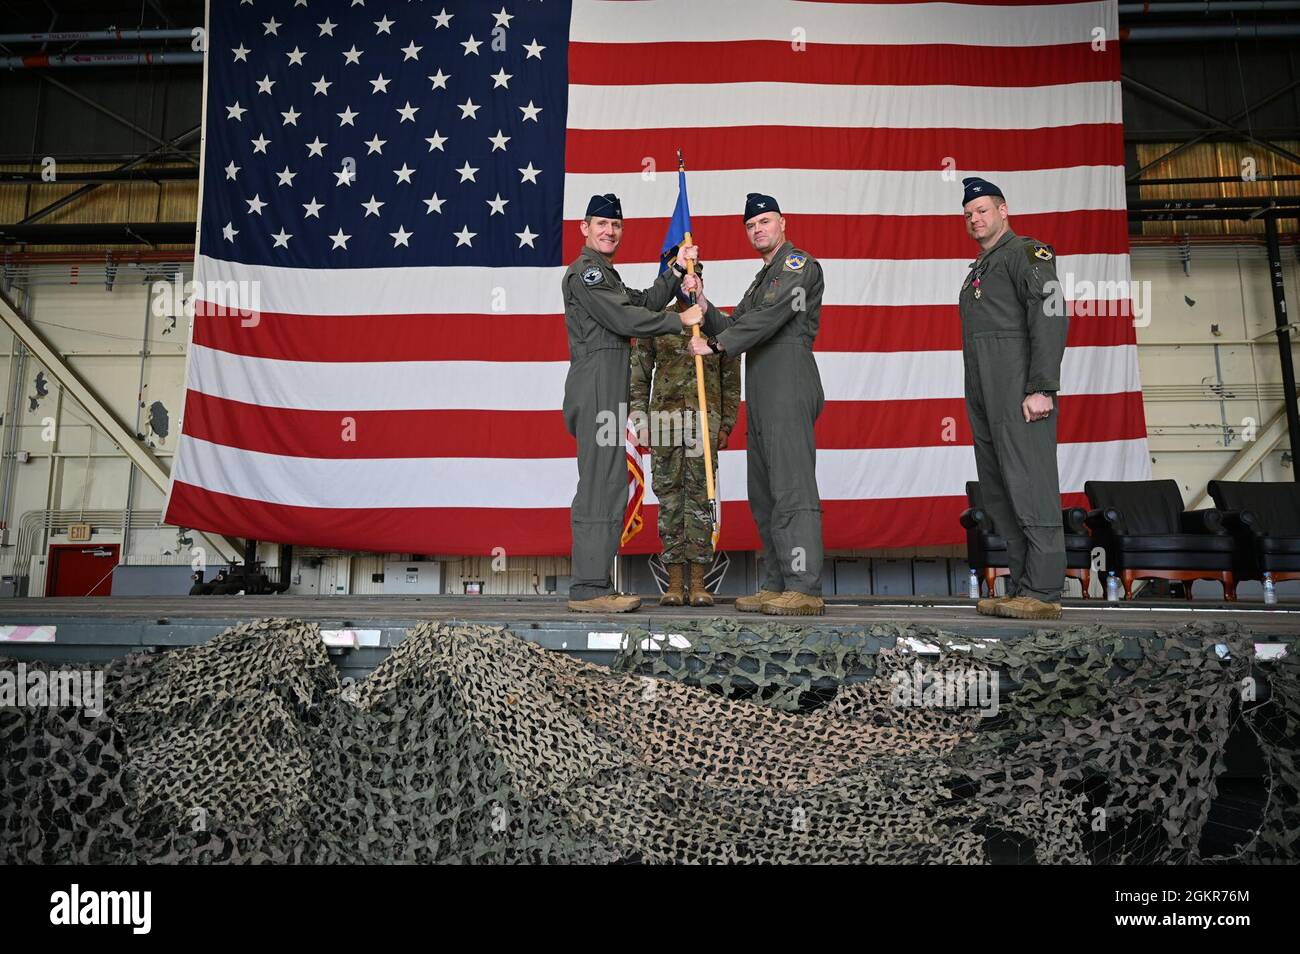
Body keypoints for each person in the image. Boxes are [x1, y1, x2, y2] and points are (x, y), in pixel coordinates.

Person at [562, 193, 702, 613]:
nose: (609, 231)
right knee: (600, 486)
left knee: (608, 483)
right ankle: (589, 588)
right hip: (597, 384)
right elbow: (624, 319)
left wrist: (676, 270)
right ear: (583, 229)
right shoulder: (585, 273)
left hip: (608, 383)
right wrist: (679, 319)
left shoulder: (607, 274)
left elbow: (638, 303)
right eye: (601, 224)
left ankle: (596, 583)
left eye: (616, 225)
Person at [688, 193, 825, 616]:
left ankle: (803, 586)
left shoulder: (797, 266)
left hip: (788, 375)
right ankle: (776, 582)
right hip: (763, 383)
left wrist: (715, 345)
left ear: (783, 222)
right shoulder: (763, 276)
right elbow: (737, 322)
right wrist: (704, 304)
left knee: (792, 486)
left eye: (765, 221)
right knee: (764, 491)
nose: (758, 229)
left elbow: (766, 320)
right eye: (751, 225)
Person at [959, 176, 1069, 620]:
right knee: (1000, 489)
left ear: (1003, 210)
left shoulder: (1027, 253)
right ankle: (1022, 585)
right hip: (985, 391)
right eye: (968, 214)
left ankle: (1042, 590)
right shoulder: (981, 268)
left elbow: (1051, 312)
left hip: (1019, 387)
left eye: (982, 210)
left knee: (1030, 483)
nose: (975, 219)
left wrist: (1041, 386)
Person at [630, 262, 741, 607]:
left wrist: (726, 425)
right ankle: (674, 582)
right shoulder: (656, 321)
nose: (688, 281)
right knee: (670, 501)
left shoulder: (715, 322)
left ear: (701, 280)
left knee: (699, 500)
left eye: (694, 276)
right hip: (664, 422)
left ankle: (699, 583)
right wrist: (639, 419)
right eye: (683, 275)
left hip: (703, 423)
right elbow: (639, 373)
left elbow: (730, 378)